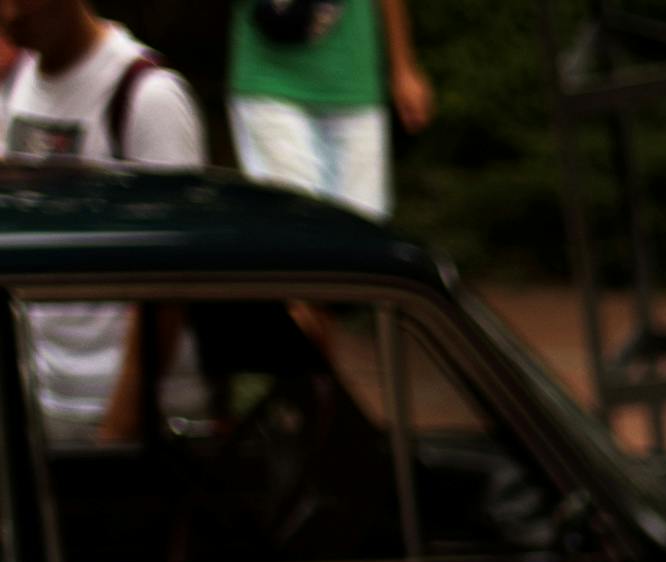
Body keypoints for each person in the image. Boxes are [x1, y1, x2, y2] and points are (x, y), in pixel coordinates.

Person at [3, 0, 204, 449]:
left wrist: (119, 428)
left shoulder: (147, 94)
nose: (8, 14)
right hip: (43, 394)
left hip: (130, 414)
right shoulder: (20, 80)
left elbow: (175, 276)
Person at [222, 0, 417, 214]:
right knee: (292, 223)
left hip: (354, 84)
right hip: (270, 84)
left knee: (363, 227)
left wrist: (403, 67)